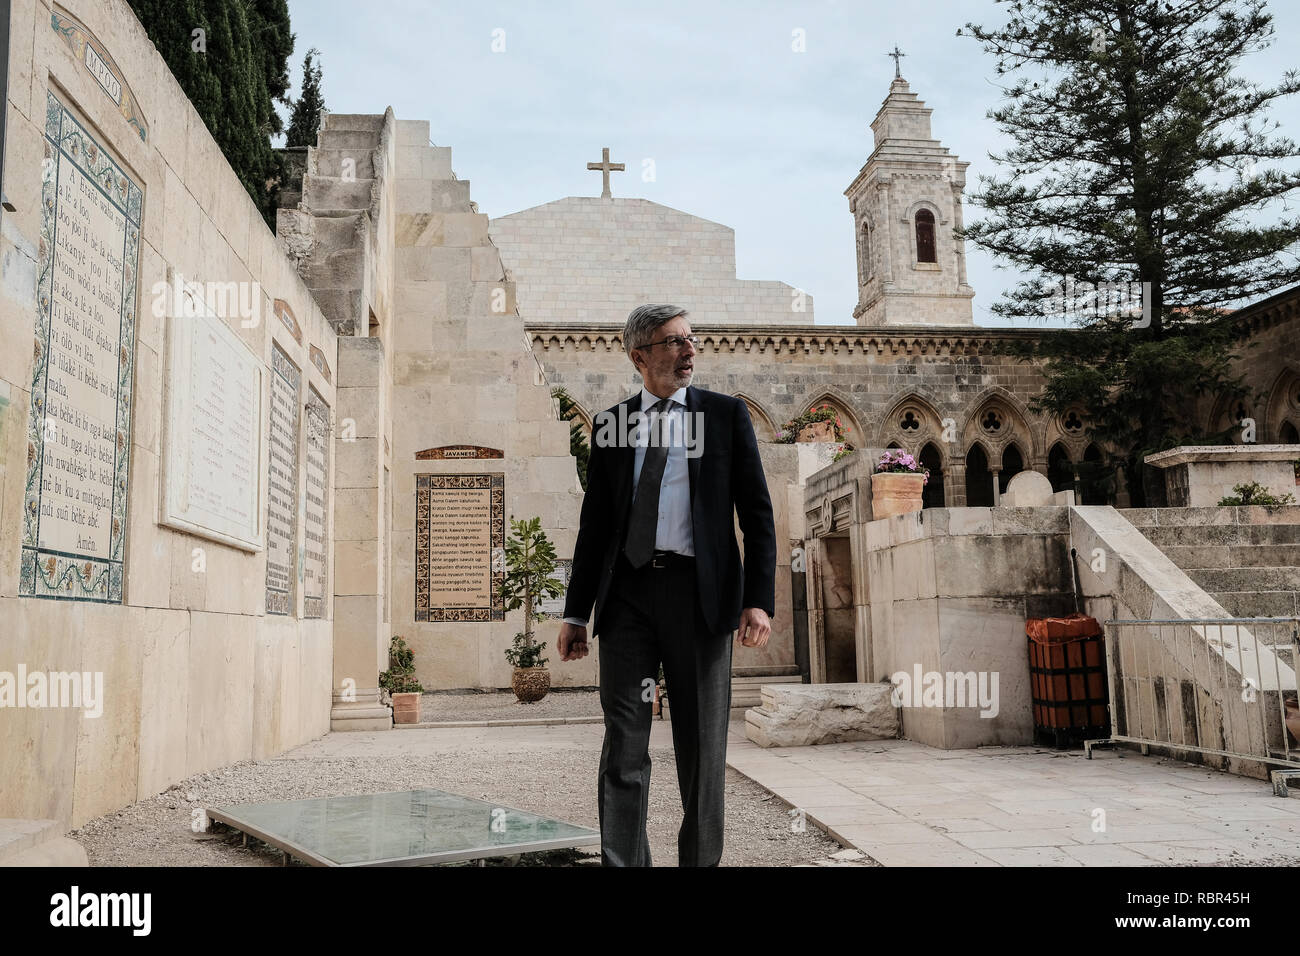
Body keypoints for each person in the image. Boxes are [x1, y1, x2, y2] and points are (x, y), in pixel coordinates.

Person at [558, 303, 776, 867]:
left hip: (699, 600)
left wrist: (758, 600)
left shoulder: (725, 416)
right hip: (627, 600)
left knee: (702, 751)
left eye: (690, 338)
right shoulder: (611, 426)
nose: (688, 349)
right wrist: (577, 613)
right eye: (673, 341)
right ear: (639, 357)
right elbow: (596, 527)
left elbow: (756, 514)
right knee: (624, 748)